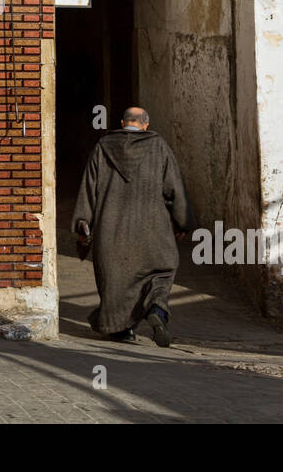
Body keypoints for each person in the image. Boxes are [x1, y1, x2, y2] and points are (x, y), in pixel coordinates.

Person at [72, 106, 195, 346]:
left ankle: (121, 329)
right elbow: (174, 187)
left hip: (111, 234)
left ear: (122, 122)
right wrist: (183, 222)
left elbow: (89, 190)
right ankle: (156, 311)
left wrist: (83, 224)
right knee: (161, 271)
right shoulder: (158, 146)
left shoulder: (102, 147)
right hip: (154, 233)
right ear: (145, 124)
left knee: (116, 282)